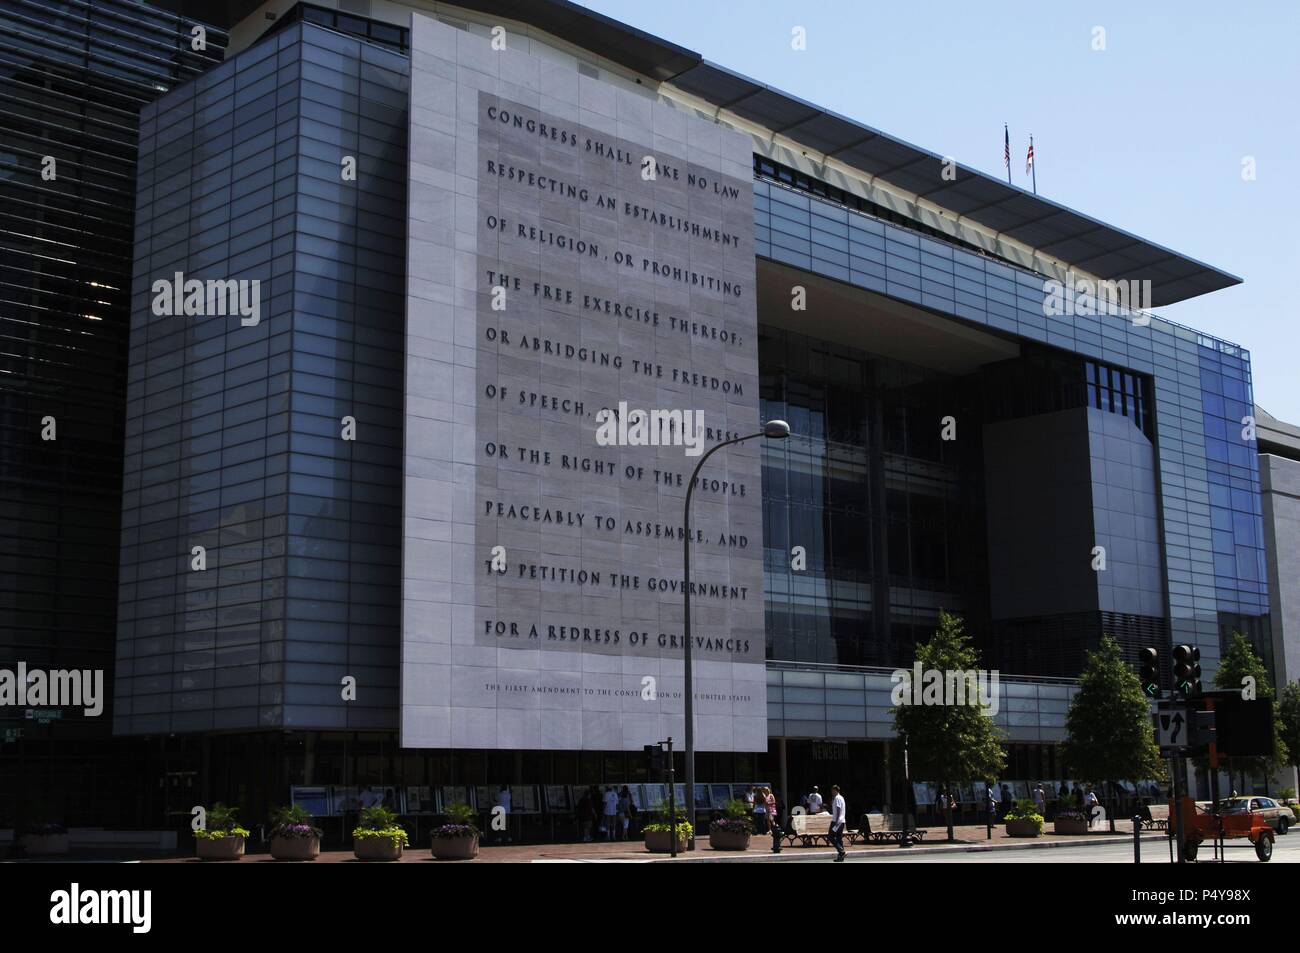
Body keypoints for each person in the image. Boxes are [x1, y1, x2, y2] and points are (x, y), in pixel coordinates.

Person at [828, 784, 847, 861]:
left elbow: (838, 809)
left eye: (832, 790)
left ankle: (841, 851)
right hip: (841, 821)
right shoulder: (841, 797)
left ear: (836, 790)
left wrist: (836, 821)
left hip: (837, 822)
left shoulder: (837, 798)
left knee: (830, 836)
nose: (831, 792)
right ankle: (841, 857)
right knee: (839, 838)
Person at [763, 786, 782, 853]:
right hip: (767, 809)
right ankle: (770, 829)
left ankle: (774, 829)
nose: (765, 791)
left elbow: (774, 802)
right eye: (764, 790)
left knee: (771, 819)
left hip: (771, 809)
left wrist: (769, 803)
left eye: (765, 790)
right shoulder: (765, 796)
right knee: (767, 820)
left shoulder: (771, 795)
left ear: (768, 790)